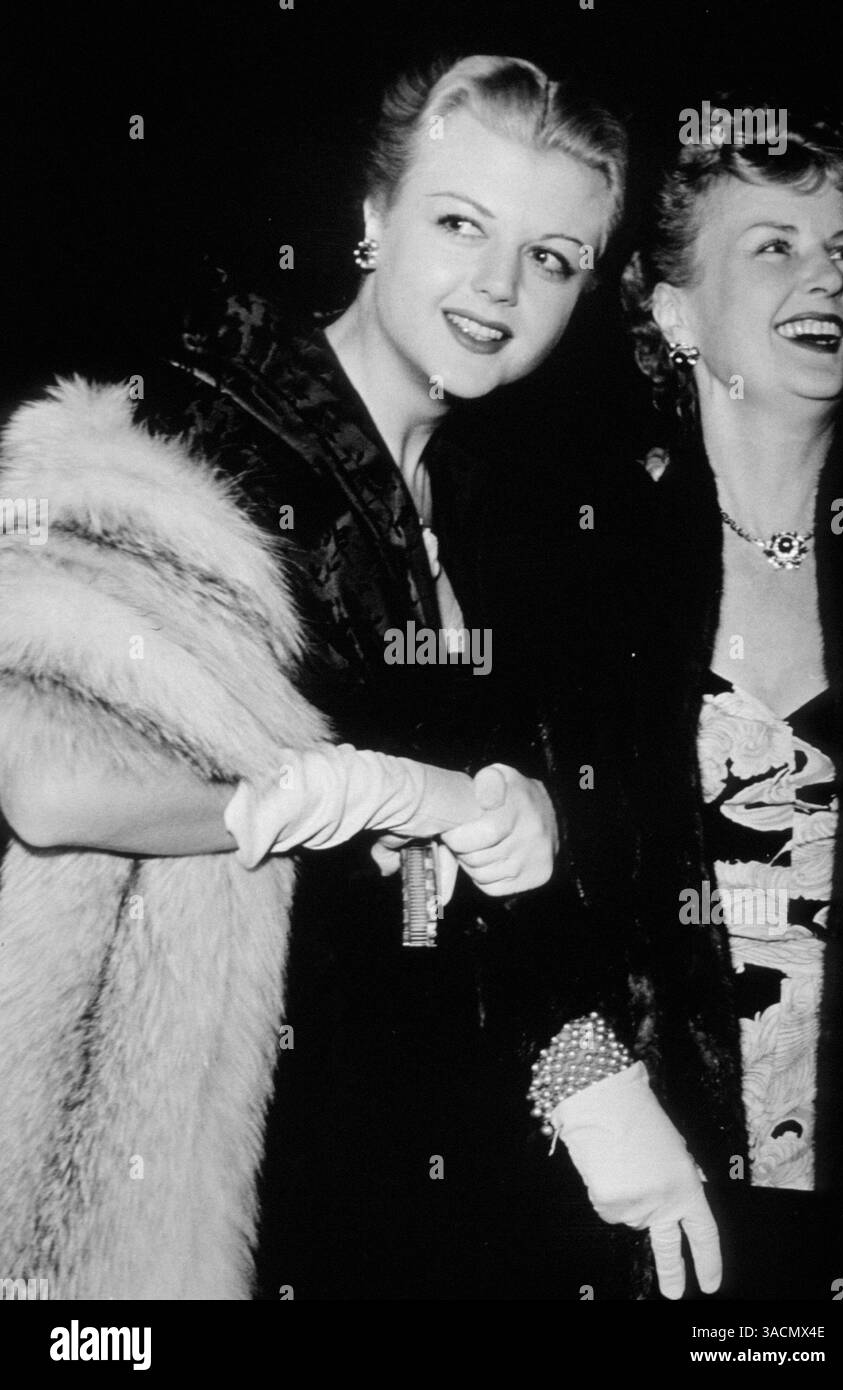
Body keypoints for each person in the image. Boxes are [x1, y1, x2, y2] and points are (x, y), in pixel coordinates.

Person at [0, 54, 629, 1299]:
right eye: (460, 224)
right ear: (371, 220)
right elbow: (49, 782)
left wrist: (588, 1066)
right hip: (160, 1180)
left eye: (552, 258)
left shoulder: (480, 518)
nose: (500, 286)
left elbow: (455, 919)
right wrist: (390, 792)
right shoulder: (194, 426)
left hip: (374, 1169)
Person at [539, 100, 843, 1299]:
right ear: (674, 313)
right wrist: (587, 1087)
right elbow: (505, 924)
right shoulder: (573, 575)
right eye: (772, 245)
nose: (823, 275)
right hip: (638, 1229)